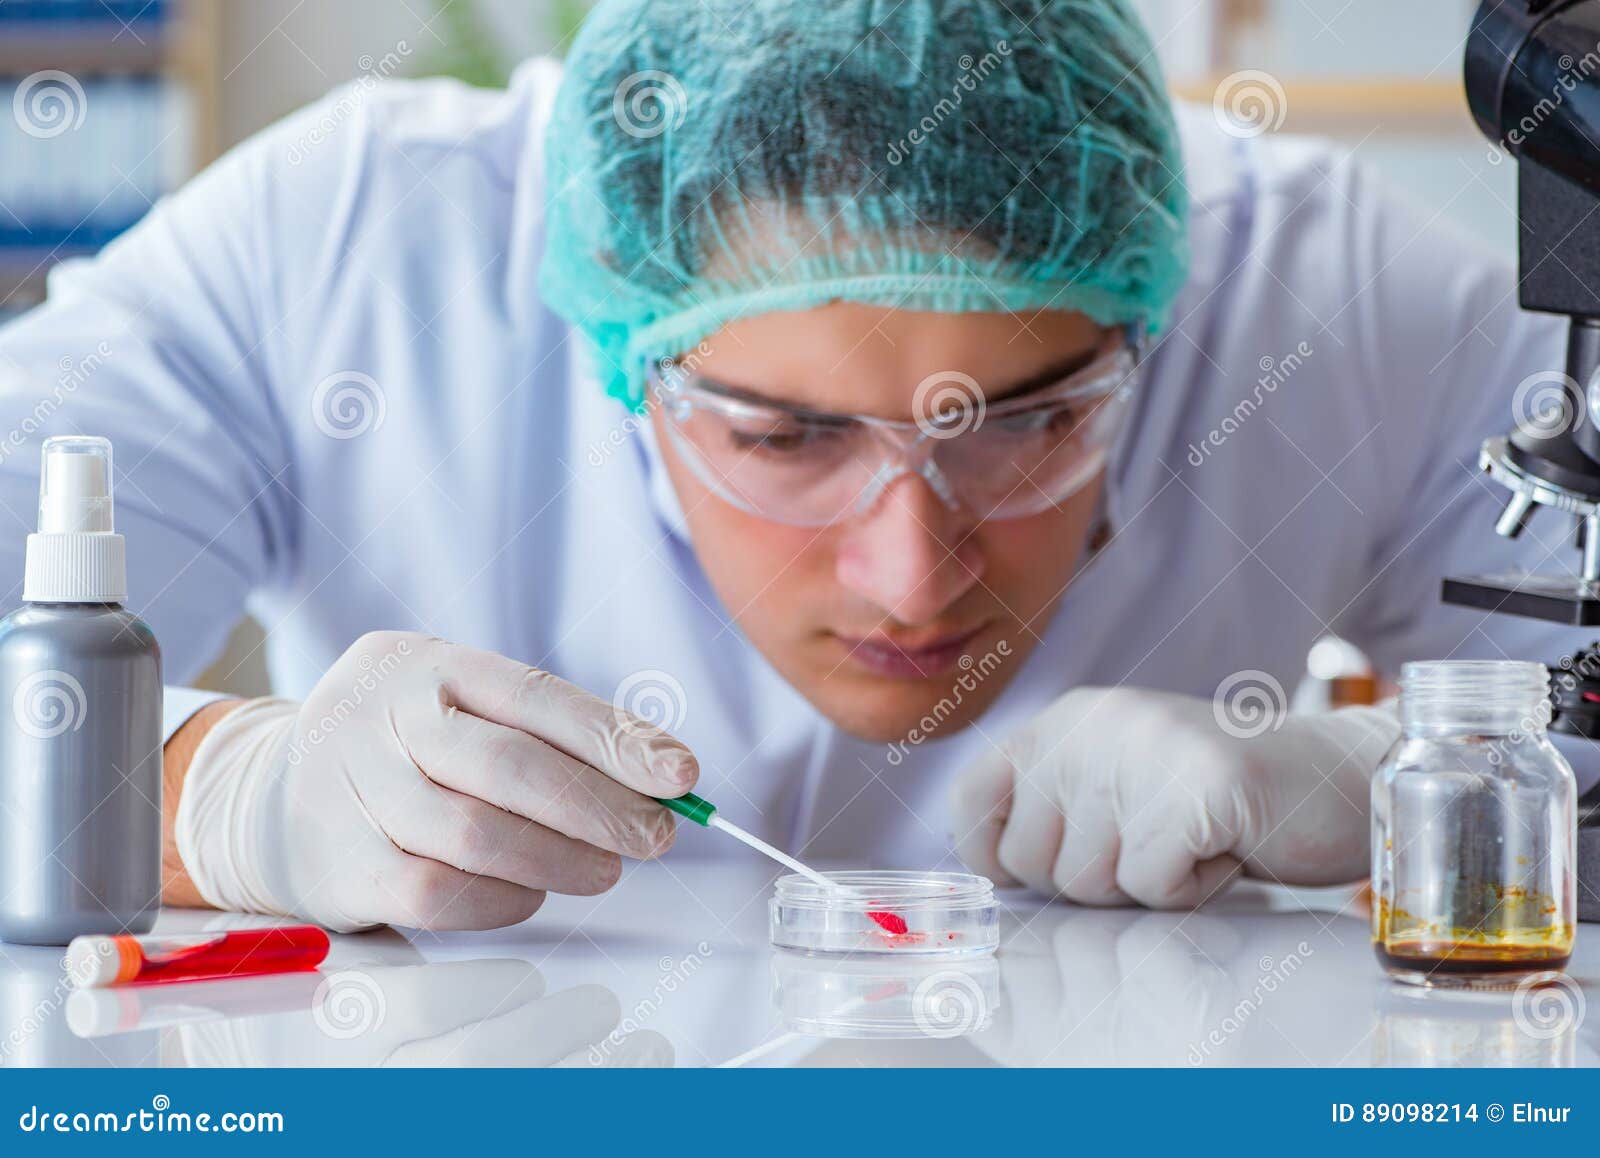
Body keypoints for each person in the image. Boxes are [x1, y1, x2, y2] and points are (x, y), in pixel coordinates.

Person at [0, 0, 1582, 932]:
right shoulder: (339, 250)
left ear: (1153, 315)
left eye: (1031, 419)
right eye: (780, 434)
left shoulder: (1330, 292)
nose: (912, 573)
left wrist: (1409, 796)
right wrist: (217, 796)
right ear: (625, 356)